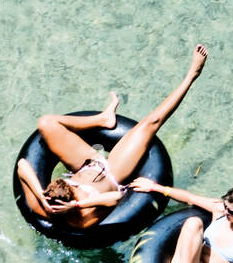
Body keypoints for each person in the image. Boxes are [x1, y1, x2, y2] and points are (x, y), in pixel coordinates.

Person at [16, 45, 208, 232]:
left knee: (46, 123)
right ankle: (192, 75)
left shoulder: (41, 204)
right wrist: (77, 204)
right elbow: (115, 198)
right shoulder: (81, 219)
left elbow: (22, 165)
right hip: (112, 172)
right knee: (152, 122)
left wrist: (41, 195)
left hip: (85, 164)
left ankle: (103, 119)